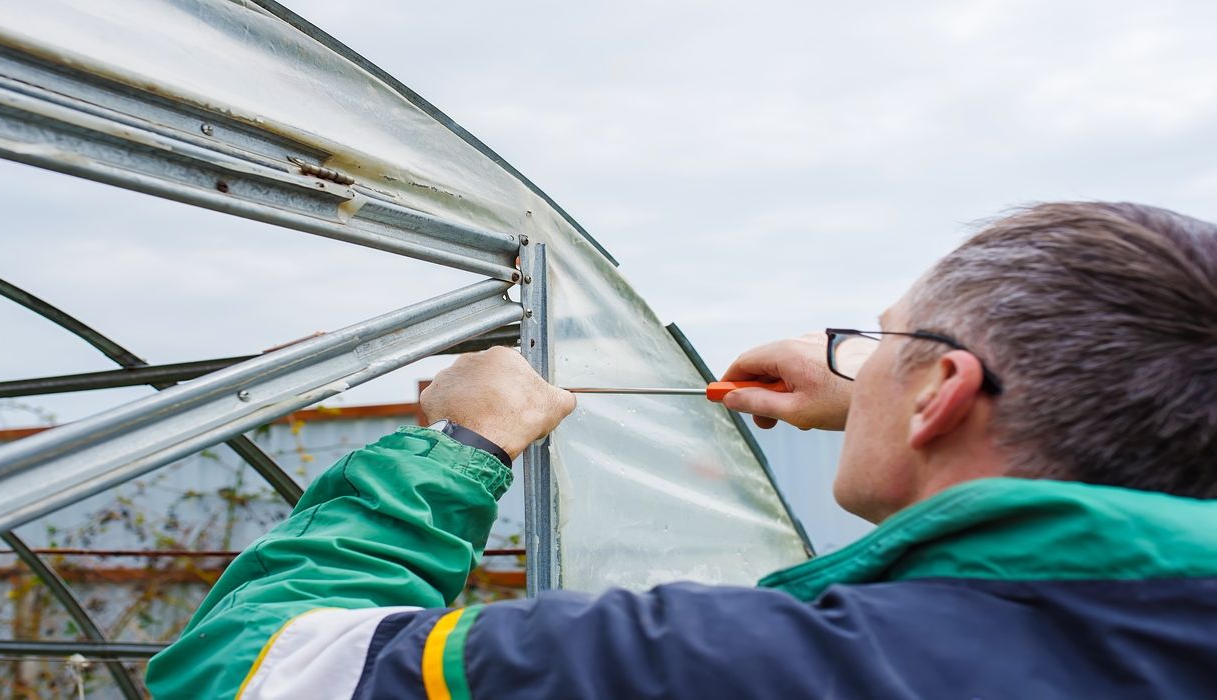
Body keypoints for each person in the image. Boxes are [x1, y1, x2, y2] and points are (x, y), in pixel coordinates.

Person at [145, 202, 1217, 699]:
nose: (859, 359)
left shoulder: (742, 666)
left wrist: (455, 444)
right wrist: (874, 389)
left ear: (941, 390)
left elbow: (259, 670)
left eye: (877, 336)